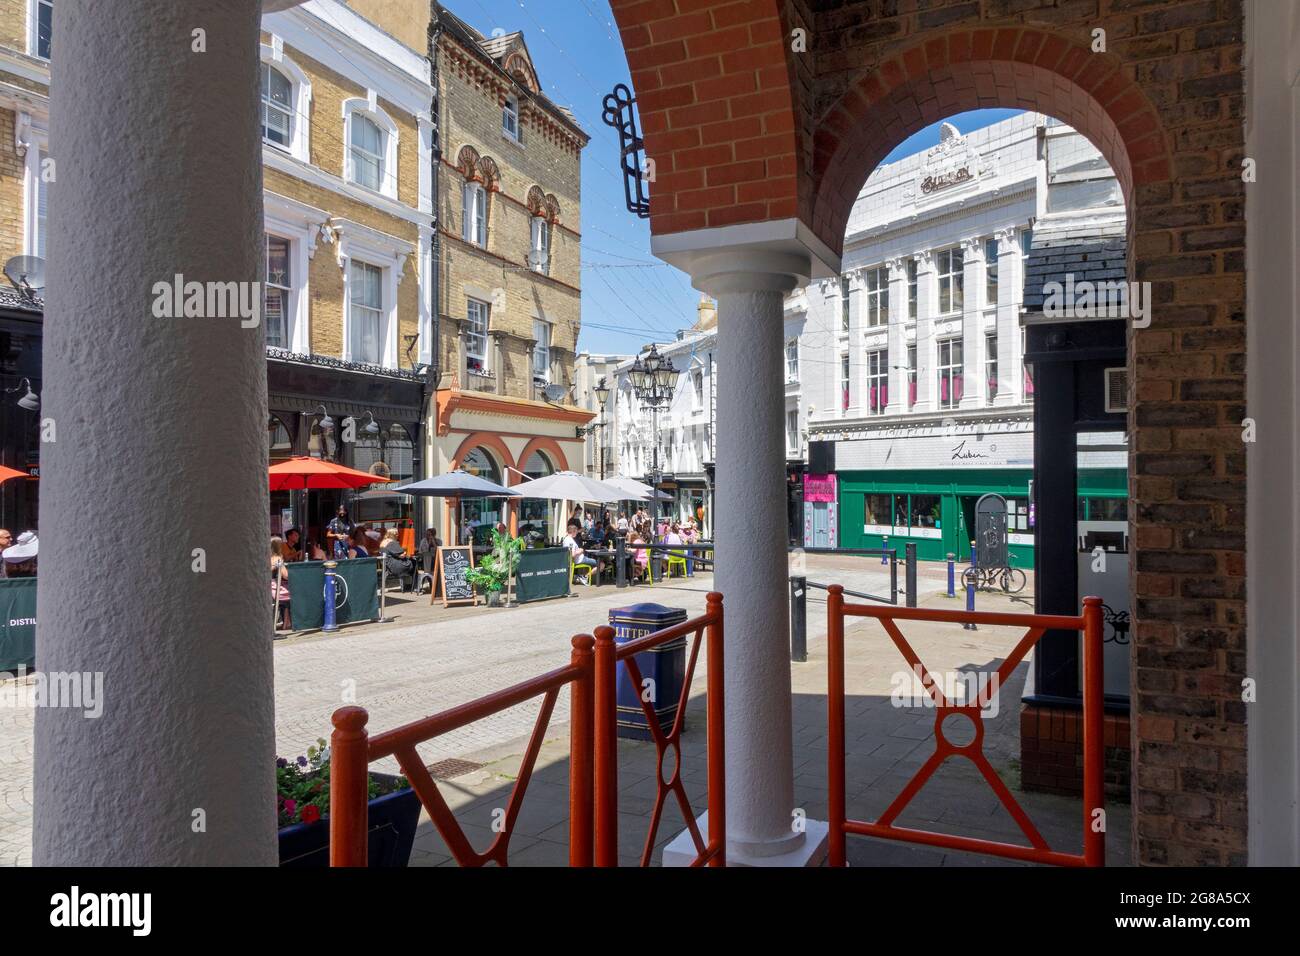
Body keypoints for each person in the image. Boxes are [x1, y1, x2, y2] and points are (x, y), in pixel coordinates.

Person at [380, 528, 418, 592]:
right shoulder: (392, 543)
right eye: (396, 534)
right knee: (414, 563)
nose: (398, 535)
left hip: (388, 566)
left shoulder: (383, 542)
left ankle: (408, 584)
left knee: (410, 562)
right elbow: (402, 555)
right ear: (393, 535)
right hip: (395, 566)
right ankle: (414, 586)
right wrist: (406, 552)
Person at [562, 518, 598, 584]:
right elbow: (572, 554)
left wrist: (579, 550)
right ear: (574, 532)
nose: (577, 533)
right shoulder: (570, 541)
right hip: (580, 559)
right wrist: (581, 550)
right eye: (577, 532)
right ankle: (584, 576)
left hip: (578, 559)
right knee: (601, 564)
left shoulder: (566, 539)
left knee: (596, 562)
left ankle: (582, 576)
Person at [270, 537, 291, 630]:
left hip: (268, 587)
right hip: (275, 588)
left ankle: (287, 622)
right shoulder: (278, 559)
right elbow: (286, 575)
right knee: (291, 595)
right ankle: (286, 624)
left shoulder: (267, 557)